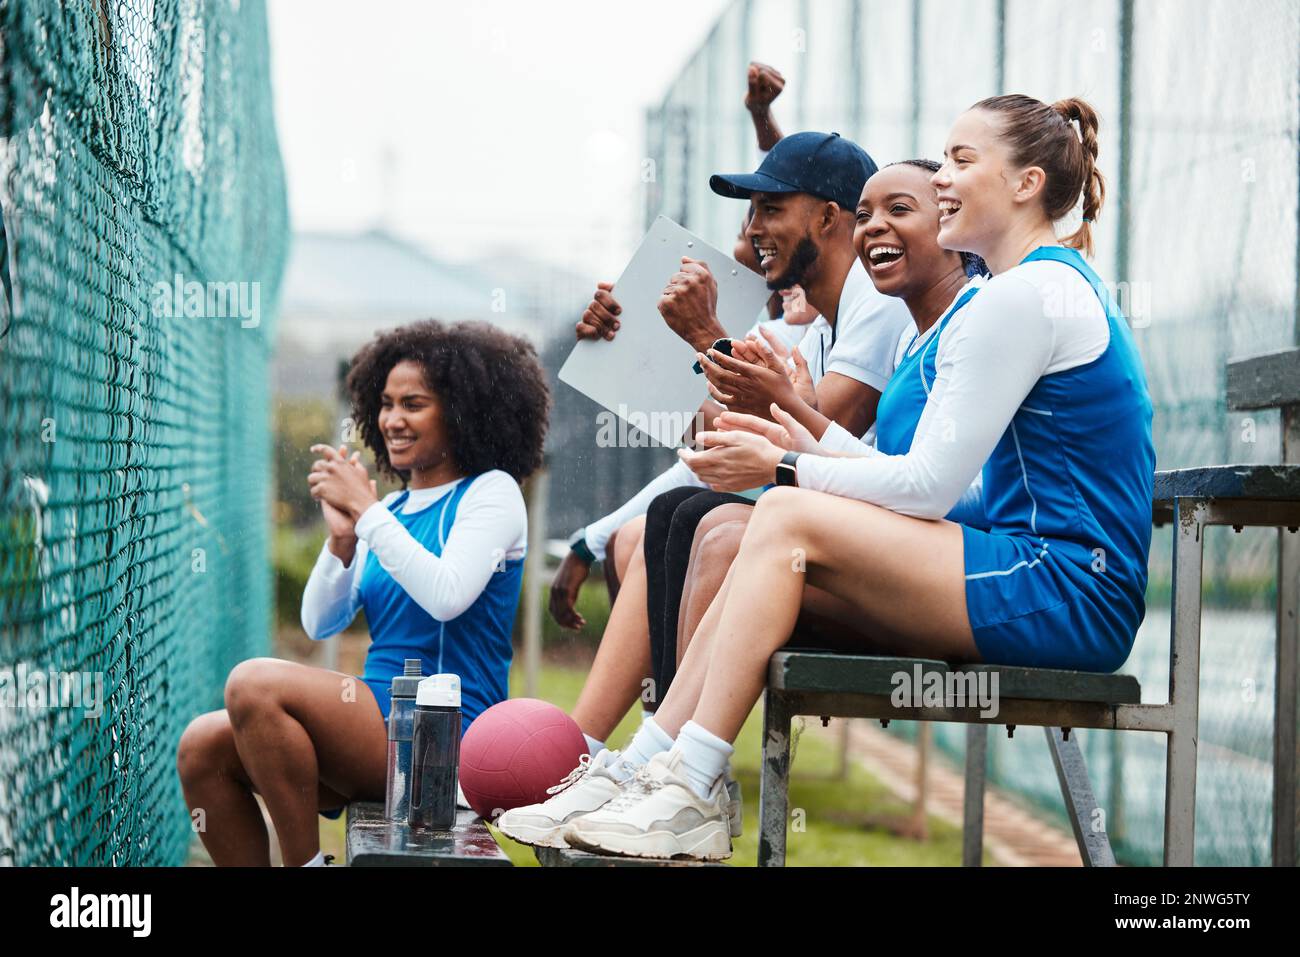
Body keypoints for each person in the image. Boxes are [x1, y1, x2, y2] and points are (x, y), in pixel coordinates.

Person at [560, 93, 1155, 861]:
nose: (944, 176)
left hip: (1065, 590)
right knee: (748, 528)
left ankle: (691, 782)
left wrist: (782, 463)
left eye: (961, 161)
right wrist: (790, 426)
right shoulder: (1023, 291)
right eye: (942, 158)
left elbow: (929, 489)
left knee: (781, 515)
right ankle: (653, 768)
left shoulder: (1024, 296)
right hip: (1027, 568)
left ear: (1027, 183)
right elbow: (921, 478)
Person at [496, 159, 979, 851]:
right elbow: (719, 438)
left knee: (722, 528)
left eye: (768, 210)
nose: (752, 230)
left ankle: (677, 777)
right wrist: (643, 335)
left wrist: (719, 354)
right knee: (669, 524)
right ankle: (630, 765)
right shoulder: (833, 321)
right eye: (871, 213)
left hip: (953, 572)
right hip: (899, 546)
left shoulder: (902, 310)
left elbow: (904, 477)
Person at [176, 320, 550, 866]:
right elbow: (319, 623)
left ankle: (306, 864)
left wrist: (369, 514)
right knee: (202, 744)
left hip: (447, 740)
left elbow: (447, 595)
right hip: (376, 726)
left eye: (413, 404)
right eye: (385, 403)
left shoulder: (490, 494)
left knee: (252, 683)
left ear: (462, 411)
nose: (392, 420)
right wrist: (344, 539)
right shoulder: (391, 515)